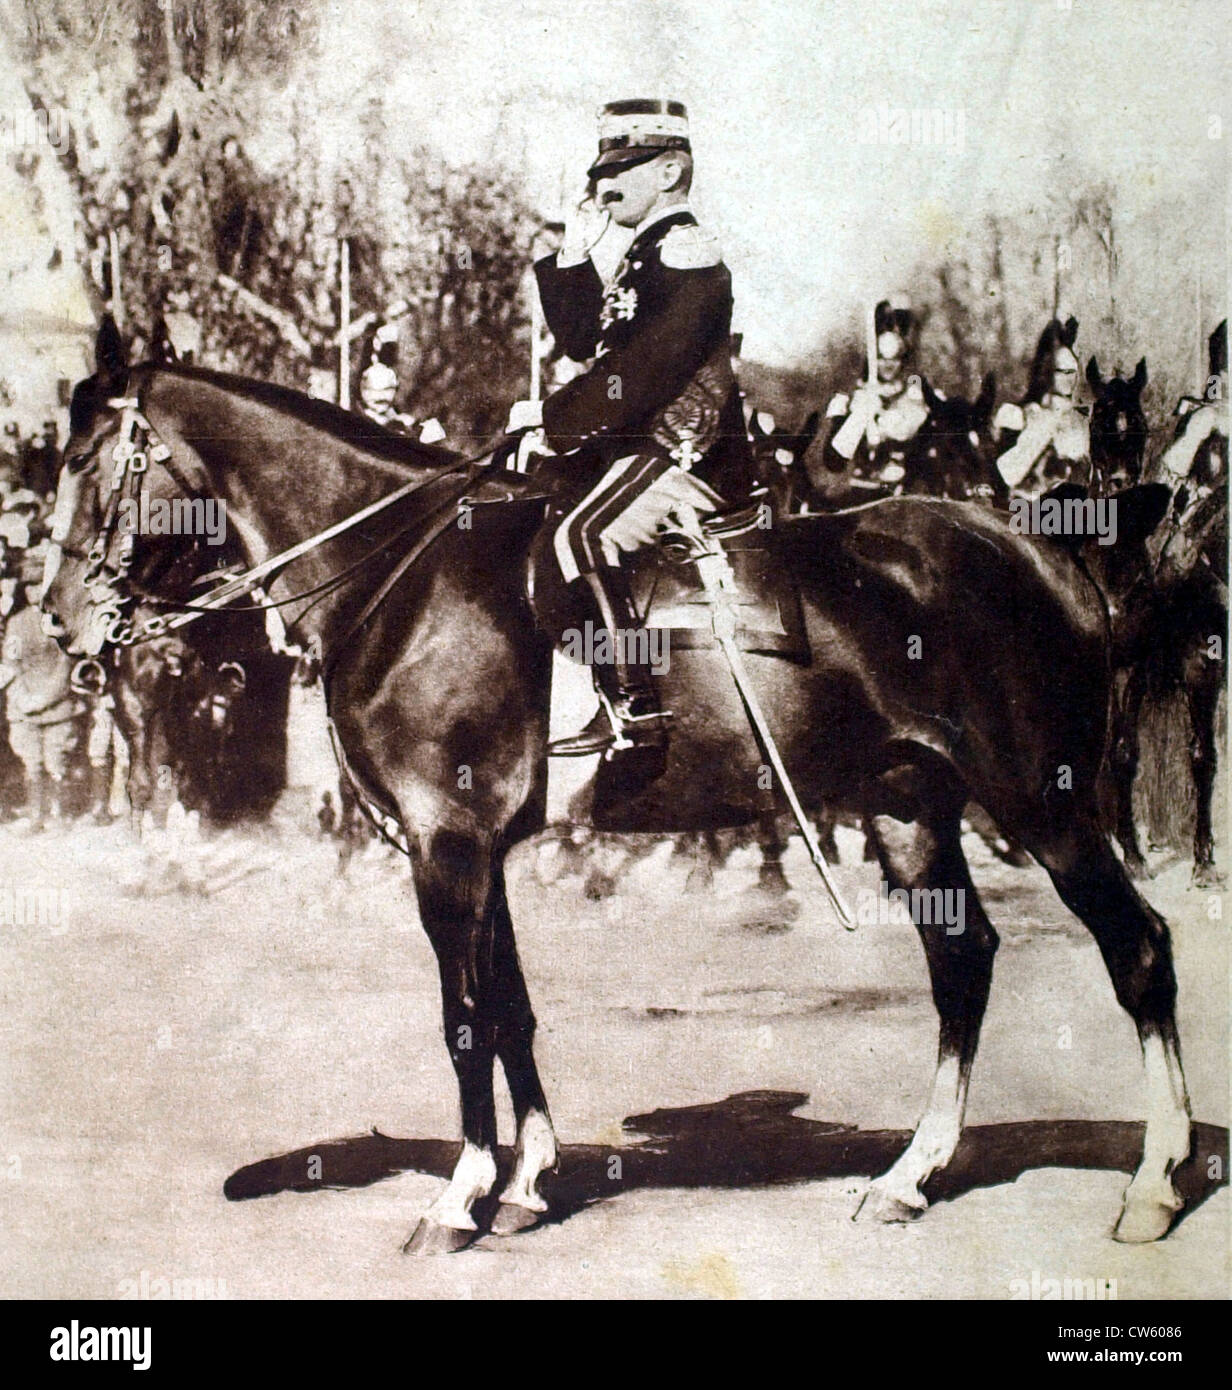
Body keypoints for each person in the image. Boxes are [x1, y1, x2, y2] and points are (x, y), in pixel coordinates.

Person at [509, 99, 753, 758]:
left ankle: (634, 700)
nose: (601, 185)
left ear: (671, 171)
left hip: (687, 449)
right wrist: (572, 257)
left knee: (581, 534)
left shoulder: (687, 253)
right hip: (644, 445)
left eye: (623, 169)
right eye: (601, 170)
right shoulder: (643, 254)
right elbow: (585, 339)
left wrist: (554, 417)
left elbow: (644, 371)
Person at [818, 295, 930, 489]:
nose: (888, 365)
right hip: (865, 492)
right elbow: (833, 462)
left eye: (895, 359)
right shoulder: (855, 398)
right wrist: (862, 415)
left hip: (908, 492)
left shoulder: (915, 397)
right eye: (882, 359)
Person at [993, 316, 1090, 493]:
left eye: (1072, 372)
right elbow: (1010, 471)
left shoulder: (1080, 417)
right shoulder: (1030, 412)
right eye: (1062, 372)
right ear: (1049, 373)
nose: (1069, 379)